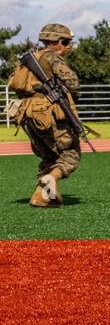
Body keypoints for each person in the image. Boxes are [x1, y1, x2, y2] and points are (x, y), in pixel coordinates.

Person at [6, 23, 83, 207]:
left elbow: (14, 83)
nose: (68, 46)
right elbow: (73, 82)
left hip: (26, 112)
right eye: (65, 42)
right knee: (71, 152)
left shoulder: (27, 59)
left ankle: (43, 195)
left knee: (49, 156)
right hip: (47, 112)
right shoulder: (51, 57)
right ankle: (50, 178)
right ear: (54, 41)